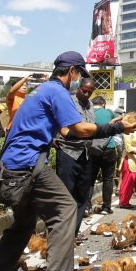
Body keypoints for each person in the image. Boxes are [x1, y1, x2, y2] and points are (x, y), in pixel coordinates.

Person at [0, 52, 136, 271]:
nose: (78, 80)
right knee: (66, 208)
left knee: (24, 223)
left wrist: (113, 124)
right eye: (79, 74)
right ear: (72, 71)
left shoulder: (42, 91)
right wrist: (117, 127)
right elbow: (80, 128)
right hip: (28, 163)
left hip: (13, 163)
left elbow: (68, 131)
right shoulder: (57, 92)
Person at [53, 77, 97, 230]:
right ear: (78, 88)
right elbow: (55, 119)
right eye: (84, 90)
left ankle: (74, 231)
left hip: (85, 152)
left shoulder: (90, 105)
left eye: (90, 92)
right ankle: (60, 232)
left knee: (82, 195)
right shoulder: (68, 101)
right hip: (68, 152)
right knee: (65, 194)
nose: (86, 94)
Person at [87, 96, 118, 214]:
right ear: (103, 104)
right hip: (109, 148)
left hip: (93, 148)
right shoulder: (109, 112)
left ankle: (86, 207)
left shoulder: (89, 113)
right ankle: (106, 207)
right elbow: (119, 122)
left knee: (90, 178)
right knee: (108, 178)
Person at [118, 125, 136, 209]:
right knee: (128, 181)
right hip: (130, 159)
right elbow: (128, 148)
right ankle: (124, 202)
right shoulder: (127, 133)